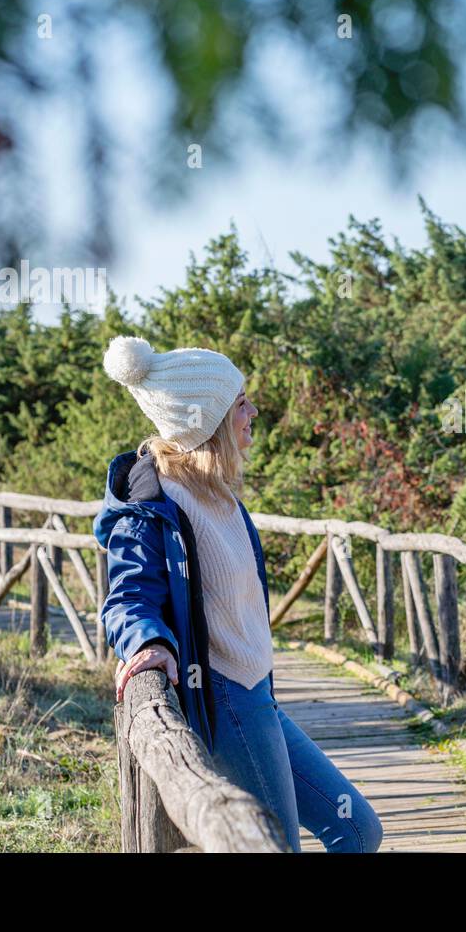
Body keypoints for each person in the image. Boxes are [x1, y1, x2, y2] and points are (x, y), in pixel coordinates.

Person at [93, 335, 382, 853]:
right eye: (239, 402)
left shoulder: (219, 492)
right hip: (226, 701)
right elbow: (127, 596)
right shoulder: (153, 504)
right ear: (207, 417)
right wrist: (147, 643)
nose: (252, 411)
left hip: (259, 694)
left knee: (358, 829)